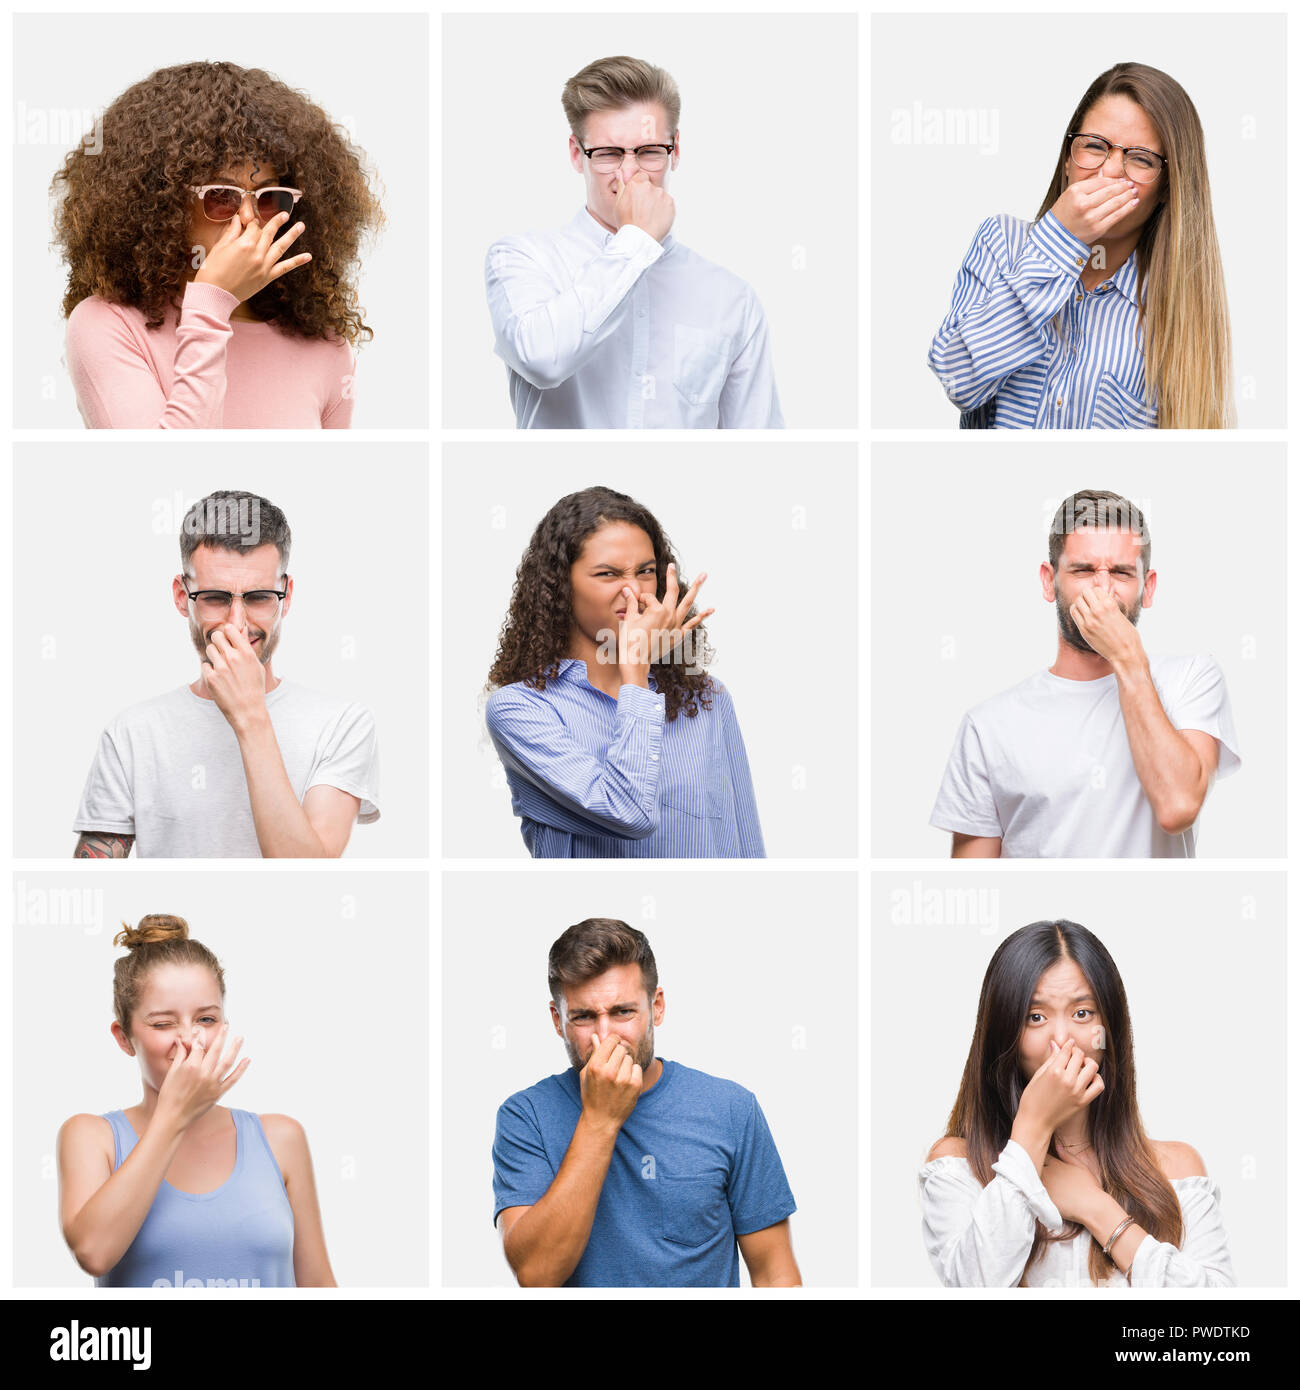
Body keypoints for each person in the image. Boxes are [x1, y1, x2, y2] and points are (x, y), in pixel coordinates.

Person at [53, 60, 384, 428]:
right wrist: (211, 302)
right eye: (221, 196)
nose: (247, 218)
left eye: (269, 198)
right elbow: (166, 467)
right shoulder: (106, 325)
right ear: (160, 203)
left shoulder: (327, 348)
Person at [919, 919, 1235, 1287]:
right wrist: (1031, 1130)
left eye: (1082, 1013)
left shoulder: (1176, 1168)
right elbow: (975, 1285)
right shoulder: (959, 1164)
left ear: (1109, 1028)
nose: (1063, 1041)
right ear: (1005, 1032)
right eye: (1035, 1018)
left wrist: (1096, 1208)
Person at [930, 489, 1239, 857]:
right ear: (1049, 581)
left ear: (1148, 587)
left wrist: (1126, 656)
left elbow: (1178, 807)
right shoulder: (987, 725)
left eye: (1122, 572)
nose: (1103, 591)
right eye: (1084, 570)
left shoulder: (1192, 679)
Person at [492, 919, 800, 1287]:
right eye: (584, 1017)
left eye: (623, 1012)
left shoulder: (732, 1109)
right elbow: (536, 1274)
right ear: (558, 1021)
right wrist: (600, 1119)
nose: (604, 1037)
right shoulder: (525, 1117)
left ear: (657, 1007)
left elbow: (774, 1274)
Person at [73, 490, 380, 858]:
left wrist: (251, 716)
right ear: (180, 595)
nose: (237, 624)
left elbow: (308, 879)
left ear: (287, 594)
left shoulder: (343, 725)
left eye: (259, 597)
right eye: (216, 597)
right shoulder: (131, 734)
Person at [484, 55, 783, 429]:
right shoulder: (522, 260)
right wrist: (637, 241)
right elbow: (543, 361)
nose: (629, 173)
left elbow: (754, 443)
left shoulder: (732, 298)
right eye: (609, 153)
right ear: (578, 155)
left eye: (647, 151)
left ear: (675, 150)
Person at [928, 63, 1233, 429]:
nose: (1110, 172)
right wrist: (1060, 239)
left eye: (1140, 158)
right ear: (1068, 160)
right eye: (1094, 146)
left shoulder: (1175, 309)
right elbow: (958, 379)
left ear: (1169, 187)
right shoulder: (1002, 244)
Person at [483, 486, 764, 857]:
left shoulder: (707, 699)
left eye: (646, 571)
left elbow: (743, 843)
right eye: (607, 574)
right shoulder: (519, 709)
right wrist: (635, 671)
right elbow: (628, 814)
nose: (633, 590)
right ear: (560, 587)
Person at [57, 914, 335, 1287]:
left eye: (206, 1019)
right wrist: (174, 1117)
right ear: (124, 1037)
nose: (190, 1040)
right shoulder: (93, 1137)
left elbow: (319, 1287)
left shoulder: (280, 1138)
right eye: (162, 1024)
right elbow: (93, 1252)